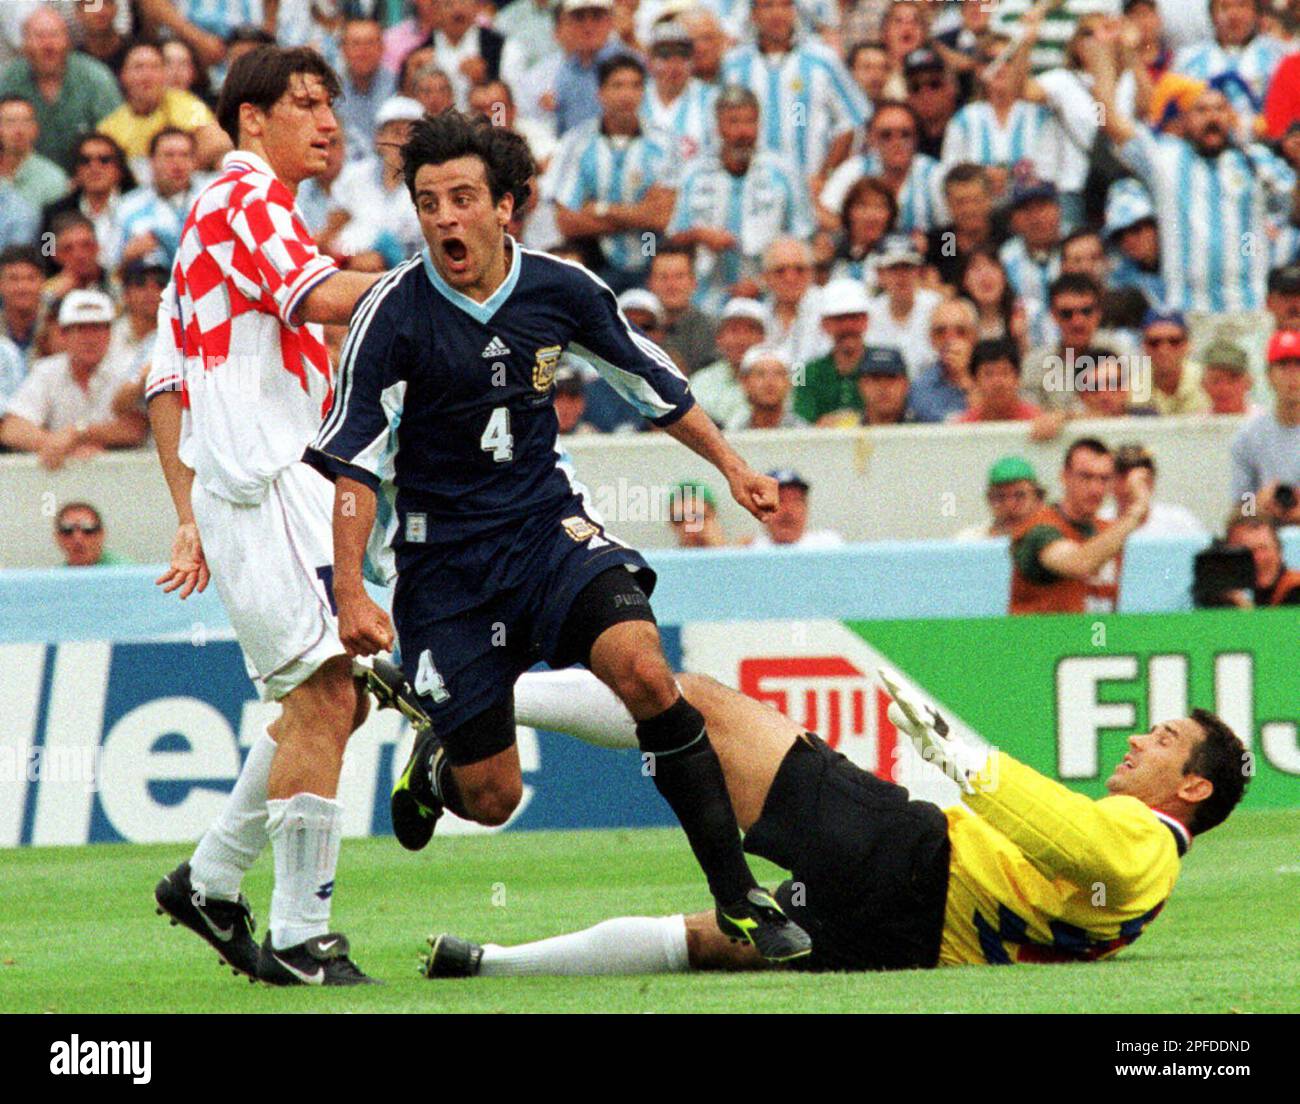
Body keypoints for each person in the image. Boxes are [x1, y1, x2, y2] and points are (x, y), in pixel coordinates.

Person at [304, 110, 810, 964]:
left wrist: (733, 467)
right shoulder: (390, 315)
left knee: (647, 673)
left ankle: (737, 897)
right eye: (429, 202)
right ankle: (438, 768)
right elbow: (355, 462)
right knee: (493, 796)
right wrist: (351, 590)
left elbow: (650, 381)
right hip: (443, 568)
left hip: (547, 530)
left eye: (463, 198)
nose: (444, 219)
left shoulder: (561, 290)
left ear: (508, 206)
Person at [417, 666, 1247, 977]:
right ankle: (484, 966)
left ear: (1195, 791)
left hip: (912, 861)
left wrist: (973, 765)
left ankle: (477, 697)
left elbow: (1085, 842)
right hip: (908, 945)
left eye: (1166, 740)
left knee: (697, 703)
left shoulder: (1145, 849)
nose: (1141, 737)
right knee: (707, 942)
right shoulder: (1145, 884)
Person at [146, 45, 392, 988]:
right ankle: (299, 939)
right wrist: (448, 291)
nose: (329, 121)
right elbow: (323, 297)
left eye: (332, 105)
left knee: (330, 698)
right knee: (329, 696)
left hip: (253, 489)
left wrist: (186, 512)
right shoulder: (244, 202)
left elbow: (165, 379)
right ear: (252, 119)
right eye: (304, 104)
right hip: (265, 483)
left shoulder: (224, 218)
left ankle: (210, 880)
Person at [1085, 22, 1297, 317]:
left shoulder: (1255, 160)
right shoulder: (1166, 160)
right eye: (1201, 110)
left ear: (1232, 117)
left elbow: (1294, 209)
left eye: (1220, 109)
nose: (1212, 117)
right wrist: (1101, 60)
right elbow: (1109, 120)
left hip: (1248, 310)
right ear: (1184, 122)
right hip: (1187, 312)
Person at [667, 85, 810, 314]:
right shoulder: (693, 174)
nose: (743, 132)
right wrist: (699, 235)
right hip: (706, 297)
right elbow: (673, 238)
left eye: (749, 122)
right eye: (733, 122)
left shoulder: (783, 172)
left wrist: (764, 281)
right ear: (718, 126)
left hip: (769, 297)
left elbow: (804, 238)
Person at [551, 54, 679, 293]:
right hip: (597, 255)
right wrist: (638, 214)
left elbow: (659, 218)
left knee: (655, 250)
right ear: (600, 92)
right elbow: (567, 222)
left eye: (635, 86)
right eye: (617, 85)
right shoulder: (577, 143)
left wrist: (600, 209)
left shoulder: (663, 142)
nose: (627, 94)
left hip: (648, 246)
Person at [719, 0, 868, 195]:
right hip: (750, 189)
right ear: (753, 14)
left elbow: (851, 122)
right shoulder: (733, 65)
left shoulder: (822, 60)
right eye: (768, 6)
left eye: (785, 5)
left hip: (808, 189)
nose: (777, 14)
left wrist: (825, 176)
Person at [0, 289, 146, 468]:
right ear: (64, 334)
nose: (90, 338)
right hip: (63, 480)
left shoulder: (130, 366)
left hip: (128, 477)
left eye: (97, 328)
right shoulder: (47, 370)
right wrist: (55, 444)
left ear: (109, 333)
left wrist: (77, 434)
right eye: (81, 329)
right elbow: (11, 428)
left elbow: (135, 428)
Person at [1009, 437, 1149, 615]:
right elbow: (1079, 563)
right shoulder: (1038, 529)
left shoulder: (1109, 530)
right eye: (1086, 477)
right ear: (1064, 477)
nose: (1096, 489)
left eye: (1104, 479)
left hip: (1098, 638)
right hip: (1043, 639)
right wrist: (1135, 512)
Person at [0, 8, 122, 171]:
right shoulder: (8, 80)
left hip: (87, 180)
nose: (48, 45)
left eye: (54, 36)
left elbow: (115, 139)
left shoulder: (96, 78)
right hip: (21, 180)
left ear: (68, 41)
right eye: (39, 37)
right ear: (25, 44)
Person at [97, 41, 227, 176]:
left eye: (154, 67)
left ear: (164, 74)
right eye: (138, 67)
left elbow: (220, 142)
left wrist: (174, 170)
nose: (147, 75)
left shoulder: (185, 102)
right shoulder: (109, 127)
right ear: (123, 75)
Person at [331, 94, 426, 268]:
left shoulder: (430, 185)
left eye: (411, 134)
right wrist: (352, 258)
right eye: (396, 133)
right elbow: (330, 237)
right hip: (351, 271)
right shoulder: (353, 176)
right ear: (379, 139)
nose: (403, 142)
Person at [1229, 329, 1300, 526]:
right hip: (1266, 533)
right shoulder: (1249, 436)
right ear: (1269, 375)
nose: (1292, 375)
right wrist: (1258, 505)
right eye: (1284, 366)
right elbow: (1241, 506)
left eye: (1298, 365)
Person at [116, 128, 207, 270]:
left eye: (185, 155)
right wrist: (127, 257)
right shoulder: (128, 206)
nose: (177, 163)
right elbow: (112, 268)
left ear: (195, 161)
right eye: (169, 155)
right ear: (151, 161)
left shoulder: (213, 197)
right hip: (151, 286)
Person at [792, 277, 870, 425]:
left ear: (866, 320)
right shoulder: (802, 370)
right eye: (839, 319)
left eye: (854, 318)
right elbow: (798, 418)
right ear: (825, 324)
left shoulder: (886, 367)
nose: (848, 326)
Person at [640, 19, 717, 166]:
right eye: (664, 56)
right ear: (648, 60)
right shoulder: (637, 96)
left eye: (683, 55)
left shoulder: (711, 99)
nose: (674, 64)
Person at [865, 233, 942, 378]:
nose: (901, 275)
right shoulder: (869, 313)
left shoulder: (937, 307)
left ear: (918, 271)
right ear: (880, 274)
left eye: (907, 267)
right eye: (893, 268)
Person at [690, 296, 769, 427]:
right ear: (719, 339)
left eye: (751, 331)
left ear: (764, 338)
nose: (741, 339)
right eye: (733, 331)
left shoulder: (783, 375)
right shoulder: (700, 380)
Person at [1098, 443, 1207, 538]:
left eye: (1139, 480)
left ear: (1151, 482)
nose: (1128, 487)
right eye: (1121, 478)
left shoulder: (1180, 521)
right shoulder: (1099, 523)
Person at [647, 245, 716, 375]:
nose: (671, 285)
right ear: (650, 283)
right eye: (663, 277)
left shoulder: (711, 330)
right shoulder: (636, 325)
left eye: (679, 276)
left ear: (693, 282)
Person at [336, 18, 397, 164]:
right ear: (343, 50)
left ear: (382, 48)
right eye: (356, 44)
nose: (363, 51)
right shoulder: (330, 92)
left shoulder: (399, 86)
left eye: (370, 43)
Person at [910, 297, 976, 423]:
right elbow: (941, 429)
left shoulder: (991, 375)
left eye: (960, 331)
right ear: (931, 339)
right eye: (940, 332)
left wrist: (966, 378)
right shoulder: (921, 387)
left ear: (974, 335)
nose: (950, 339)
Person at [0, 94, 67, 211]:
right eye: (10, 122)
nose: (18, 130)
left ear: (36, 129)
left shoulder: (53, 179)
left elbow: (54, 228)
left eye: (25, 122)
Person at [746, 468, 843, 548]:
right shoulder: (750, 552)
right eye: (780, 501)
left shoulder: (829, 547)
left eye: (796, 501)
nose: (788, 511)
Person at [954, 456, 1044, 541]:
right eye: (1000, 497)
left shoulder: (1053, 543)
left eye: (1019, 496)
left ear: (1038, 500)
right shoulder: (968, 541)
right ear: (989, 500)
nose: (1009, 505)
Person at [954, 337, 1042, 423]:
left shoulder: (1036, 422)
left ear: (1017, 378)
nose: (998, 382)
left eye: (1005, 372)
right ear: (974, 380)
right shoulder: (964, 426)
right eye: (989, 374)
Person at [1139, 308, 1209, 416]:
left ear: (1187, 345)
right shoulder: (1134, 388)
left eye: (1174, 341)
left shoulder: (1206, 382)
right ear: (1144, 347)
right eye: (1154, 342)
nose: (1163, 349)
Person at [1221, 512, 1300, 607]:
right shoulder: (1221, 594)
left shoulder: (1295, 589)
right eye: (1246, 551)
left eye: (1263, 548)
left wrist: (1247, 613)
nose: (1257, 558)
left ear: (1279, 552)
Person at [727, 344, 805, 430]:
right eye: (760, 374)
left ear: (789, 383)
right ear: (745, 382)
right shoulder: (735, 431)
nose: (769, 382)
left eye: (778, 374)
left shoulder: (804, 432)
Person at [53, 501, 131, 567]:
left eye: (88, 530)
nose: (78, 538)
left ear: (101, 534)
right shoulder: (54, 579)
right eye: (68, 531)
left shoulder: (126, 571)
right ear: (58, 537)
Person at [856, 345, 915, 426]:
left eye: (891, 377)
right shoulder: (844, 432)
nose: (883, 386)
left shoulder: (925, 430)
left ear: (906, 385)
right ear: (862, 385)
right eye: (875, 378)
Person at [1199, 337, 1259, 416]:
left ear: (1249, 382)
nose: (1224, 388)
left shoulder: (1263, 422)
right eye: (1216, 380)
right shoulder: (1194, 424)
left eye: (1233, 380)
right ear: (1204, 384)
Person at [666, 479, 727, 548]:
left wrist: (718, 548)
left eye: (697, 517)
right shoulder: (663, 558)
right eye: (678, 520)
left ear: (713, 516)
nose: (688, 526)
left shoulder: (740, 552)